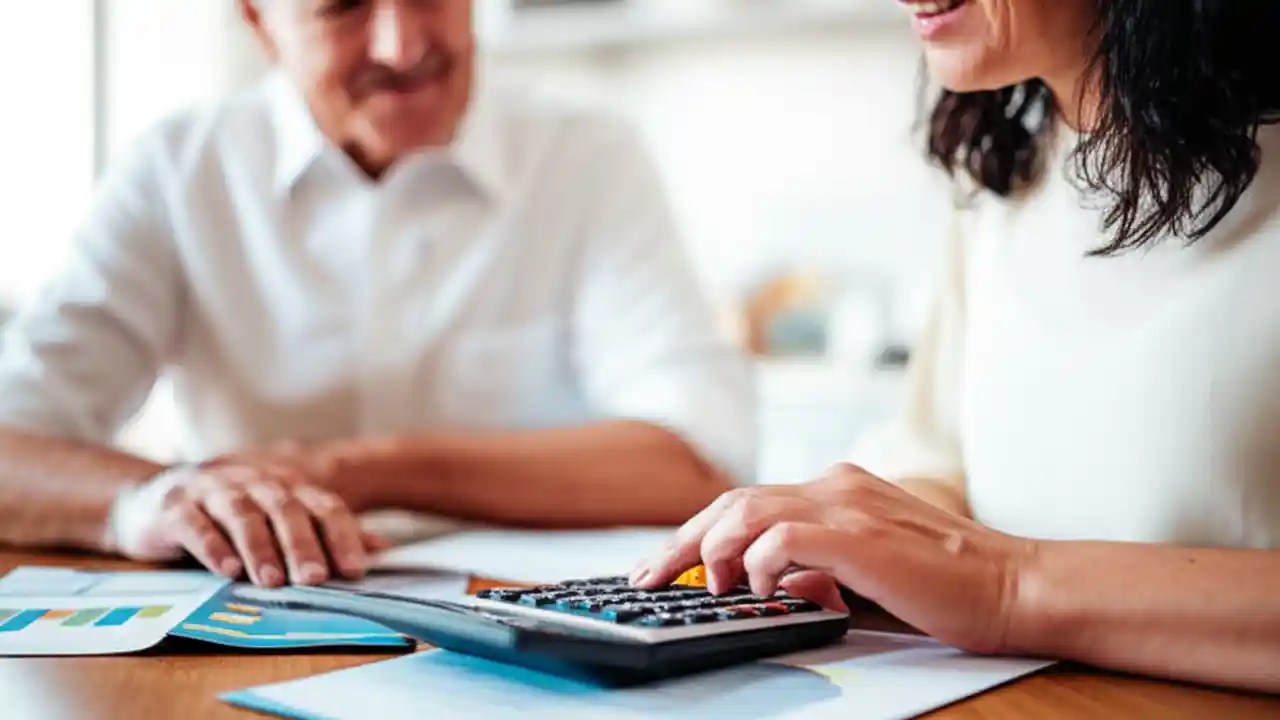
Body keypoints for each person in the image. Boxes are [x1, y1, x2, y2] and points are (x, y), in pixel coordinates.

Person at [634, 0, 1280, 693]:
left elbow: (992, 573)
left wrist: (1007, 587)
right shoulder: (999, 184)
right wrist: (856, 548)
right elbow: (939, 456)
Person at [0, 0, 754, 589]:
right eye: (343, 8)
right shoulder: (176, 171)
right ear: (261, 21)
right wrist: (154, 501)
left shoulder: (588, 156)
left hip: (542, 641)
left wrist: (346, 471)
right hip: (251, 619)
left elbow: (696, 462)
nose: (401, 46)